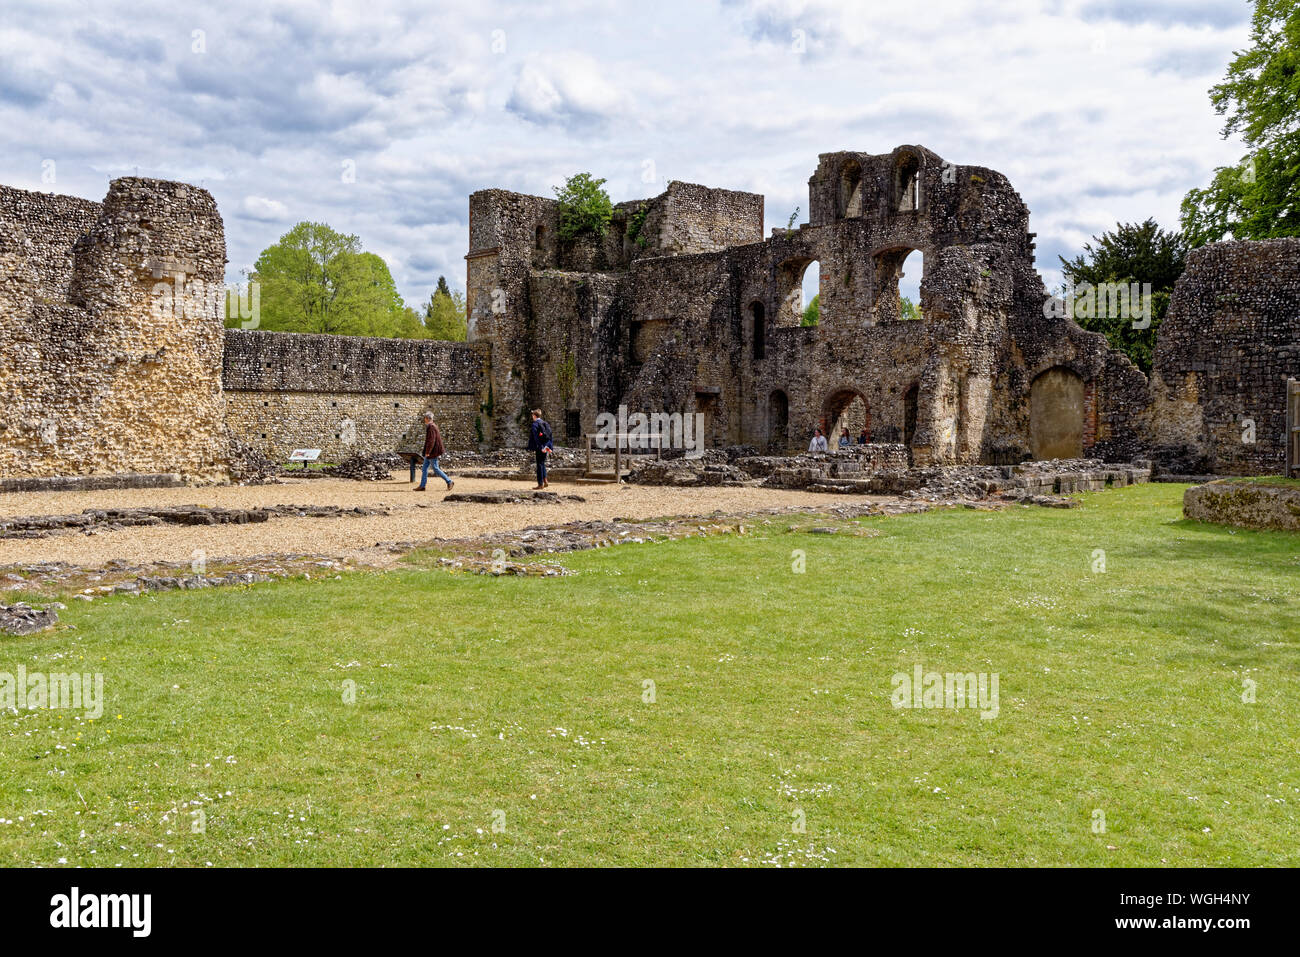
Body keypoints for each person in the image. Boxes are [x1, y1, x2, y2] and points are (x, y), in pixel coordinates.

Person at [415, 413, 453, 491]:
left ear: (427, 418)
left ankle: (449, 481)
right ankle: (422, 486)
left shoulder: (431, 426)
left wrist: (428, 451)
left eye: (425, 418)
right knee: (424, 468)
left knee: (435, 468)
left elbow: (431, 440)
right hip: (431, 451)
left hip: (432, 452)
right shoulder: (432, 426)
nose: (424, 419)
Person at [528, 408, 554, 489]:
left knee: (539, 465)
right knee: (542, 463)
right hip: (546, 446)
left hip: (540, 447)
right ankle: (545, 480)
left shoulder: (535, 424)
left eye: (532, 415)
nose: (532, 416)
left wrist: (540, 446)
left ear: (534, 415)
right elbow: (550, 435)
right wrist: (549, 447)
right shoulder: (545, 423)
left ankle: (540, 484)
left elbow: (536, 437)